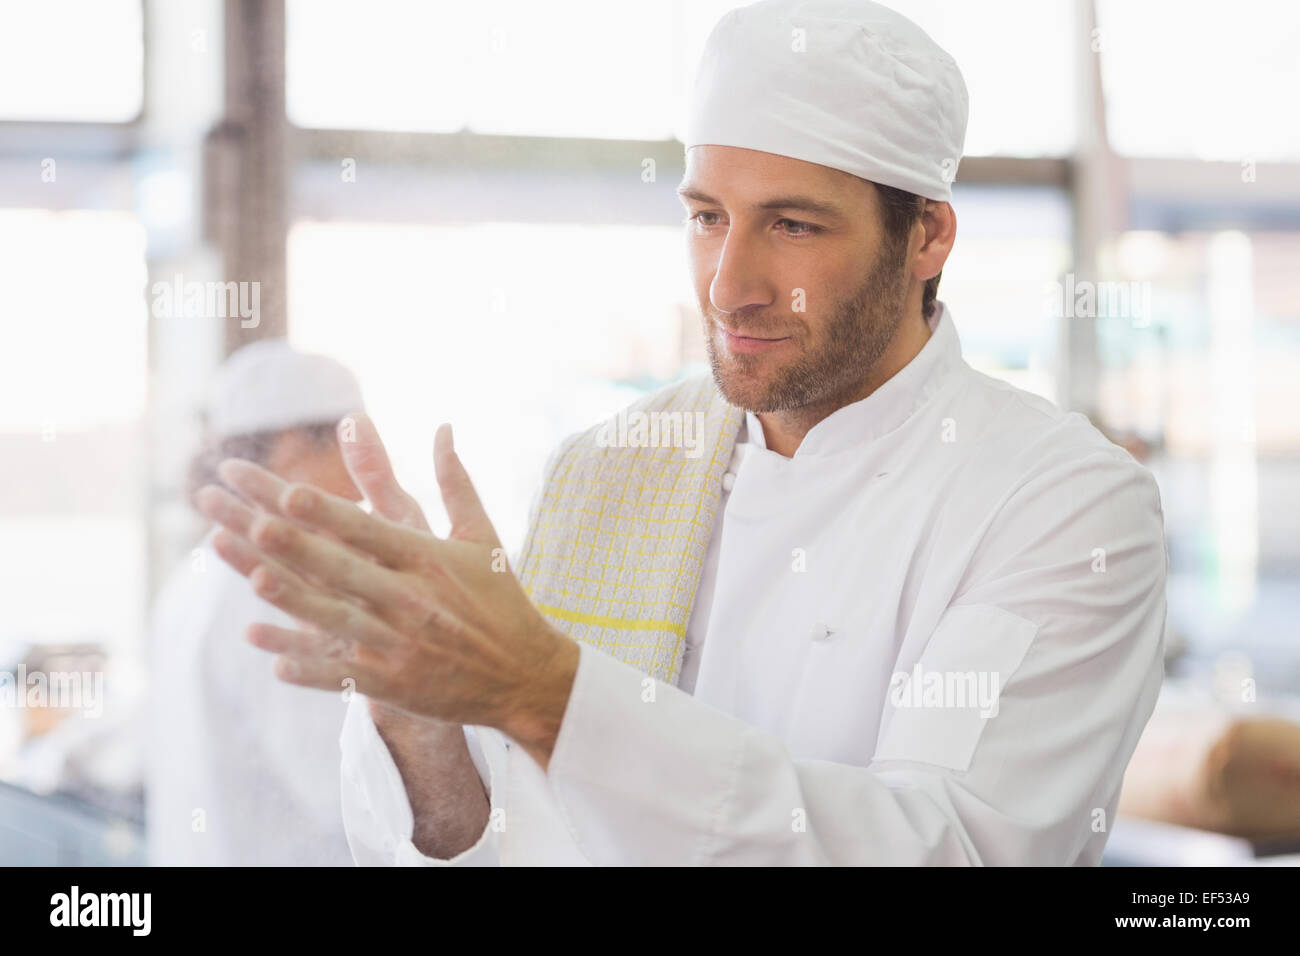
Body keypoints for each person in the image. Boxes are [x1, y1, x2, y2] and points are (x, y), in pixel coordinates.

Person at [200, 0, 1167, 865]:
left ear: (928, 237)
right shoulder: (608, 469)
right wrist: (423, 721)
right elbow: (501, 844)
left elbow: (947, 848)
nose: (728, 285)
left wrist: (548, 695)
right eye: (708, 217)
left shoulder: (1062, 503)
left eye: (792, 226)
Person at [147, 340, 364, 865]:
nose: (364, 475)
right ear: (293, 446)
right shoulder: (274, 582)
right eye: (353, 443)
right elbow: (345, 796)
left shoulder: (200, 573)